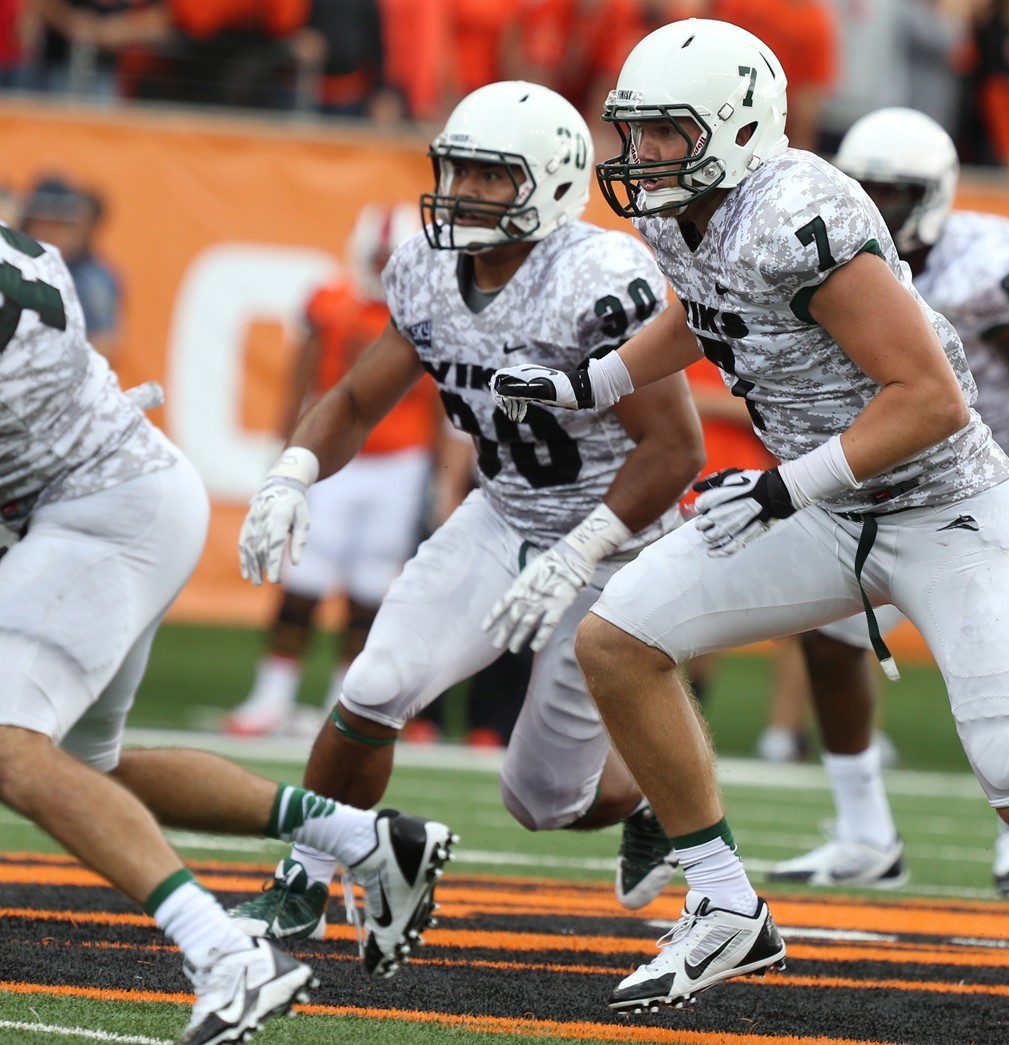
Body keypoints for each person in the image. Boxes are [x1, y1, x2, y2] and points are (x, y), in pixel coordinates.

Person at [492, 20, 1009, 1042]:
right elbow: (706, 308)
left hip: (944, 508)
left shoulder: (801, 212)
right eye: (635, 134)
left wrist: (784, 488)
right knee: (620, 639)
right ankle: (727, 900)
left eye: (664, 135)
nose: (640, 158)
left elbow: (933, 399)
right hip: (830, 504)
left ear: (737, 129)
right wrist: (588, 381)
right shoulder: (691, 207)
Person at [232, 80, 704, 941]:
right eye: (456, 170)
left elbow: (675, 449)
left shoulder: (598, 278)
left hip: (615, 546)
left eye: (491, 177)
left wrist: (582, 550)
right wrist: (291, 473)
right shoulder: (423, 264)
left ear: (553, 184)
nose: (464, 193)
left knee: (543, 802)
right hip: (505, 512)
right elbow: (353, 397)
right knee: (373, 686)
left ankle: (649, 796)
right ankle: (303, 879)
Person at [0, 218, 456, 1044]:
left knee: (10, 745)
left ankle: (227, 955)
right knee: (82, 767)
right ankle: (362, 835)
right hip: (120, 491)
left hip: (97, 514)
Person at [766, 105, 1009, 898]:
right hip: (893, 467)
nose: (878, 207)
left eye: (896, 192)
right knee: (827, 634)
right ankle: (864, 835)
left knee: (1003, 643)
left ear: (939, 193)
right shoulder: (818, 249)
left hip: (1008, 467)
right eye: (865, 189)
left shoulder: (983, 264)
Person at [224, 201, 438, 738]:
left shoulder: (430, 311)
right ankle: (271, 696)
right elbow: (303, 377)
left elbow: (439, 403)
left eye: (394, 255)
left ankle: (344, 700)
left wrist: (440, 474)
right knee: (305, 575)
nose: (385, 264)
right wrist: (284, 448)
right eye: (380, 254)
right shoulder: (332, 300)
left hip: (401, 461)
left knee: (371, 584)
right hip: (336, 457)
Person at [19, 175, 122, 363]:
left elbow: (105, 348)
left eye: (57, 226)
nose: (47, 234)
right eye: (39, 225)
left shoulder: (90, 280)